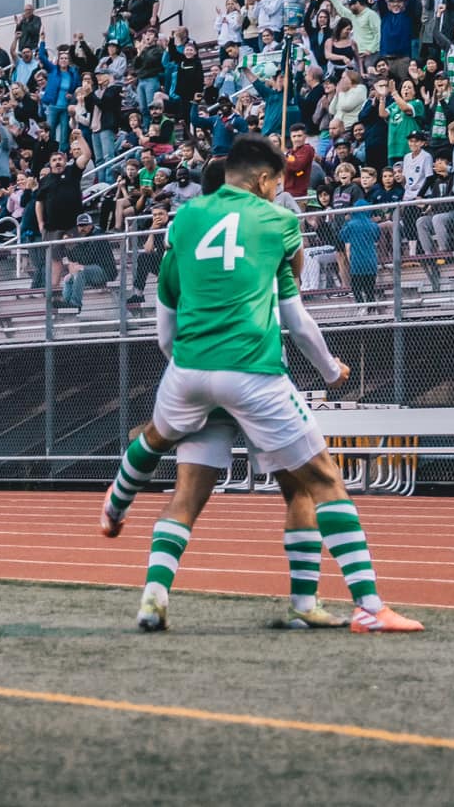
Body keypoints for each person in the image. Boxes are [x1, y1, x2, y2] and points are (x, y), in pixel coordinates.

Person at [98, 136, 422, 634]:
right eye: (276, 183)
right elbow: (294, 312)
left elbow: (164, 334)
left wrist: (196, 370)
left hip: (188, 370)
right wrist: (332, 371)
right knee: (319, 481)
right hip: (252, 370)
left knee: (181, 482)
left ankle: (144, 573)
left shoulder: (182, 223)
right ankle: (367, 607)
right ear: (264, 181)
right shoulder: (279, 224)